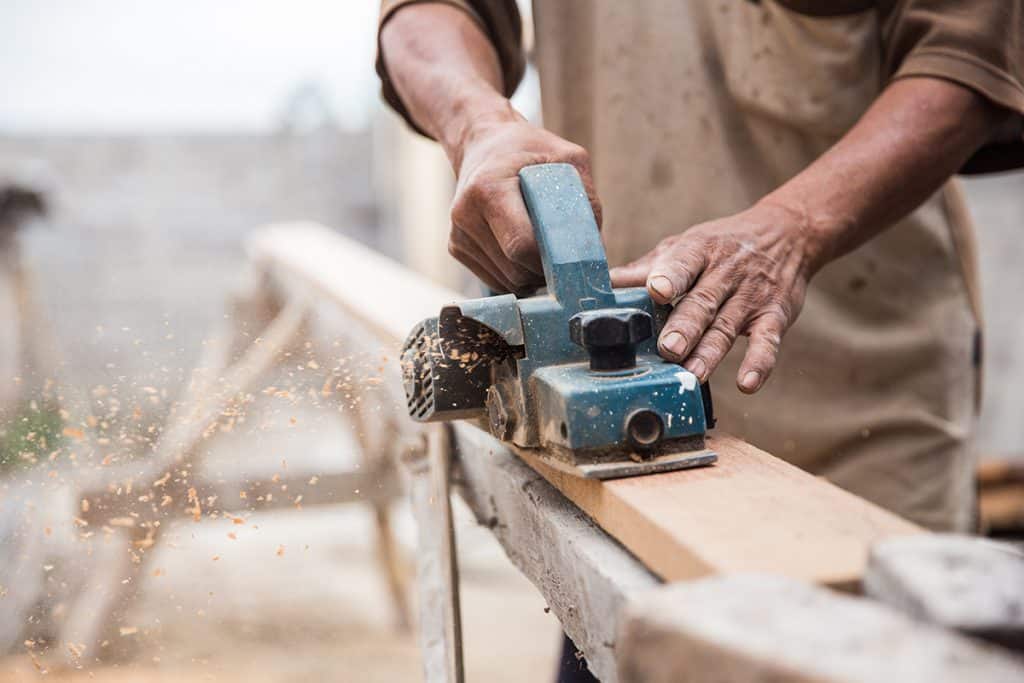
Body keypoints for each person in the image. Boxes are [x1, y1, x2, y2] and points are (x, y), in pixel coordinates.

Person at [376, 1, 1022, 677]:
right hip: (615, 479)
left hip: (859, 406)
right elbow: (425, 12)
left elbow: (970, 55)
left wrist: (794, 227)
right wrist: (477, 121)